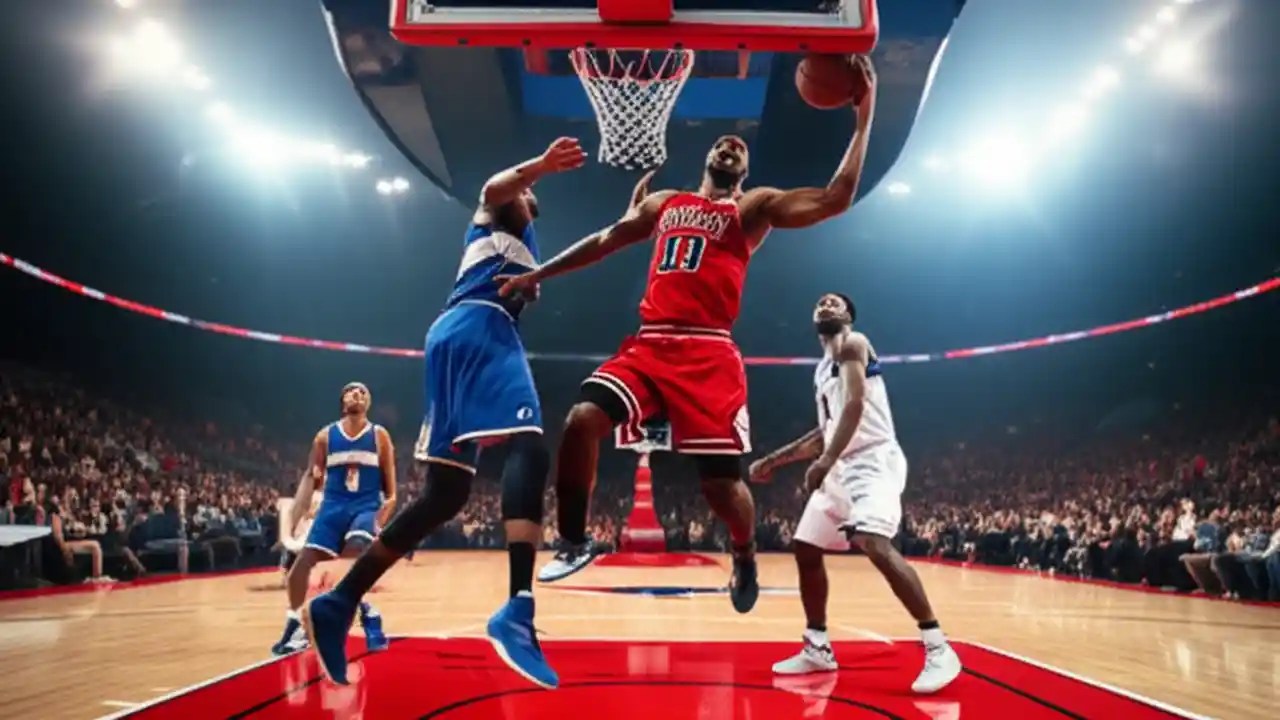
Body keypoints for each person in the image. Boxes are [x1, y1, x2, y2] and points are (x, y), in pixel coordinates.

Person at [500, 56, 879, 613]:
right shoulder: (665, 203)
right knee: (582, 420)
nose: (729, 147)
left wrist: (864, 120)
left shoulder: (754, 206)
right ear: (706, 156)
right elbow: (605, 240)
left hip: (708, 352)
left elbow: (833, 199)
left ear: (744, 169)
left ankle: (745, 554)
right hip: (650, 343)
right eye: (723, 144)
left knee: (719, 489)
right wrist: (538, 273)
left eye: (739, 147)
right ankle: (576, 540)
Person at [304, 138, 588, 688]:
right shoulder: (493, 216)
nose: (525, 194)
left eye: (530, 193)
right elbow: (492, 187)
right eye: (525, 190)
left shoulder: (524, 244)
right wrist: (542, 164)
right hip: (480, 329)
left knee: (446, 495)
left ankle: (340, 602)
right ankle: (518, 609)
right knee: (530, 440)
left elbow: (561, 260)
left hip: (457, 338)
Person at [747, 293, 961, 693]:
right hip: (841, 463)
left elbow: (856, 405)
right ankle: (817, 647)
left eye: (836, 302)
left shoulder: (853, 343)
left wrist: (826, 460)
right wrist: (774, 460)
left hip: (872, 461)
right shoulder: (821, 369)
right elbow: (826, 431)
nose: (827, 305)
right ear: (812, 320)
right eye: (820, 302)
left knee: (874, 543)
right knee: (806, 547)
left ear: (849, 316)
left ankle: (938, 646)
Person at [271, 382, 395, 656]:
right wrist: (290, 524)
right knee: (300, 567)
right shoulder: (325, 437)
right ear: (342, 401)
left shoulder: (379, 436)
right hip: (333, 507)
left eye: (363, 392)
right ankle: (295, 624)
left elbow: (392, 493)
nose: (358, 394)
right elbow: (309, 479)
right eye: (352, 390)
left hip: (365, 506)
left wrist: (380, 518)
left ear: (368, 404)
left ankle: (367, 616)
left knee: (354, 555)